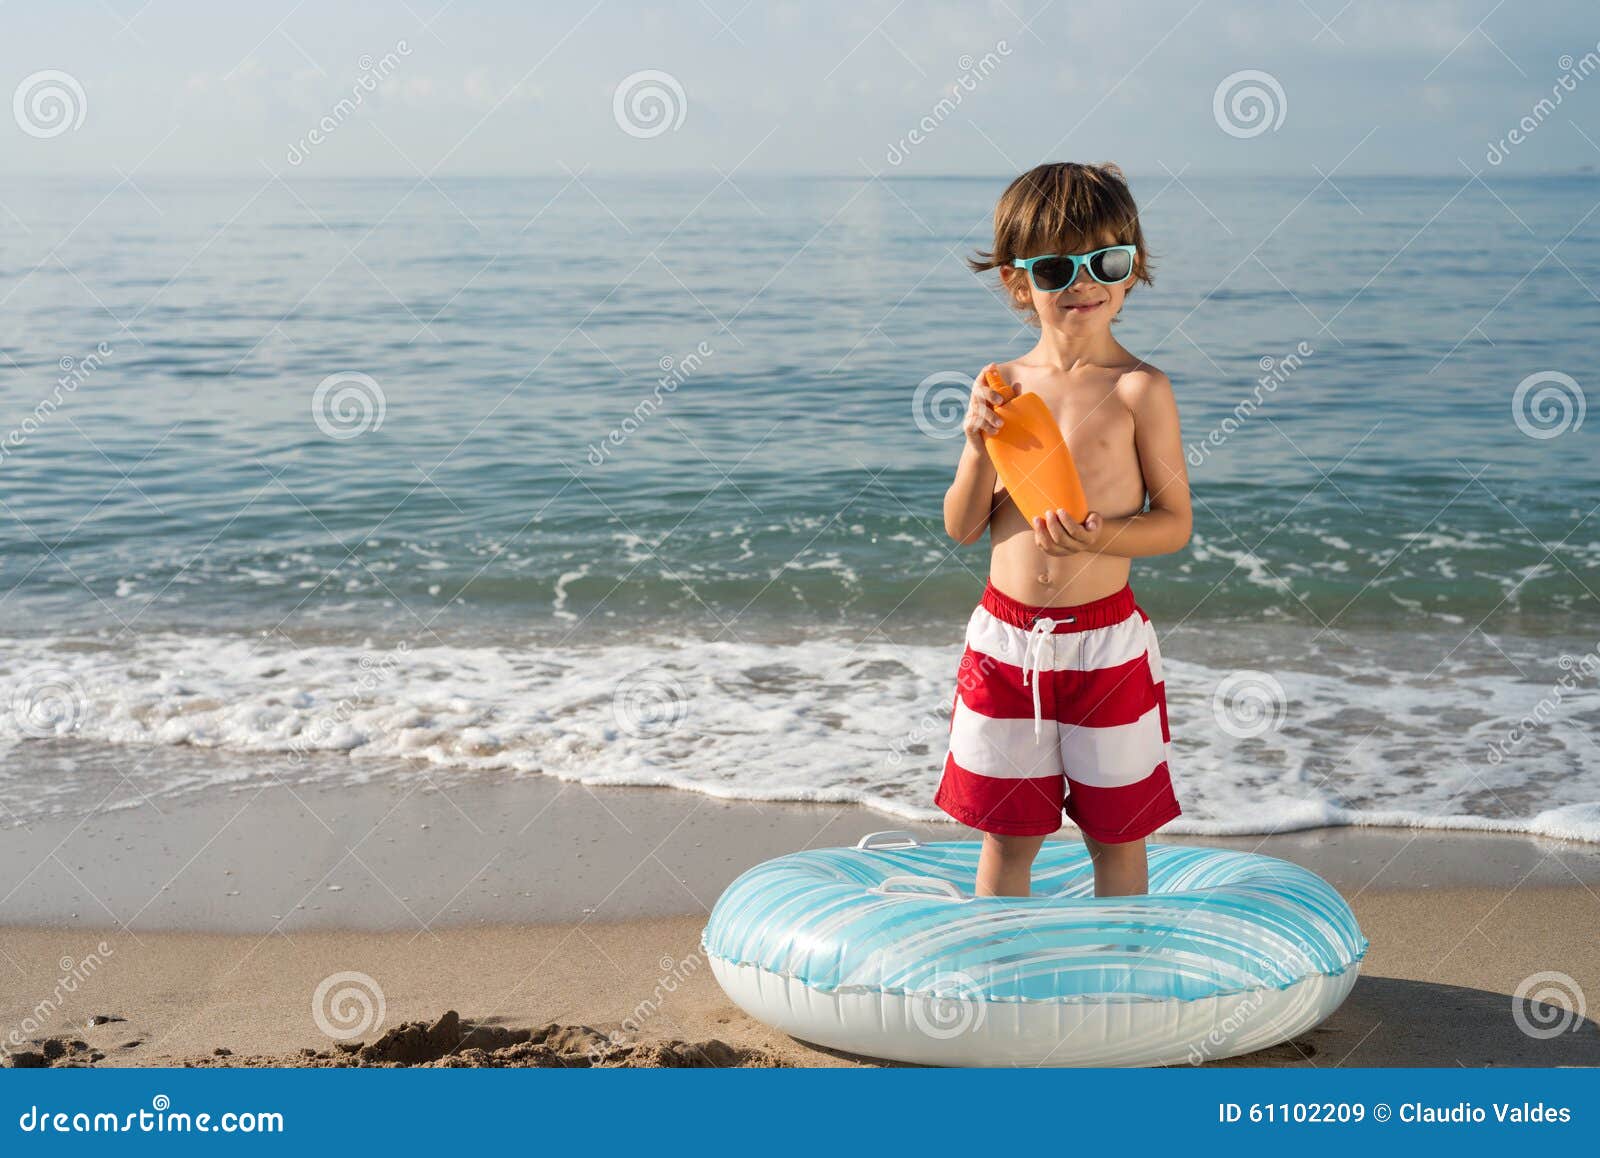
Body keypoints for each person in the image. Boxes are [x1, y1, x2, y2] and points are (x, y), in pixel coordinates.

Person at [936, 161, 1191, 898]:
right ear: (1020, 283)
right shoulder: (1004, 387)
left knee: (1116, 837)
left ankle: (1123, 991)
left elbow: (1173, 525)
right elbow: (961, 528)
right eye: (1057, 268)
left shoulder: (1140, 389)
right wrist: (974, 443)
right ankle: (995, 982)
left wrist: (1099, 539)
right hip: (1005, 644)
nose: (1085, 283)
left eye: (1105, 262)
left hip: (1105, 645)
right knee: (1009, 840)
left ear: (1132, 269)